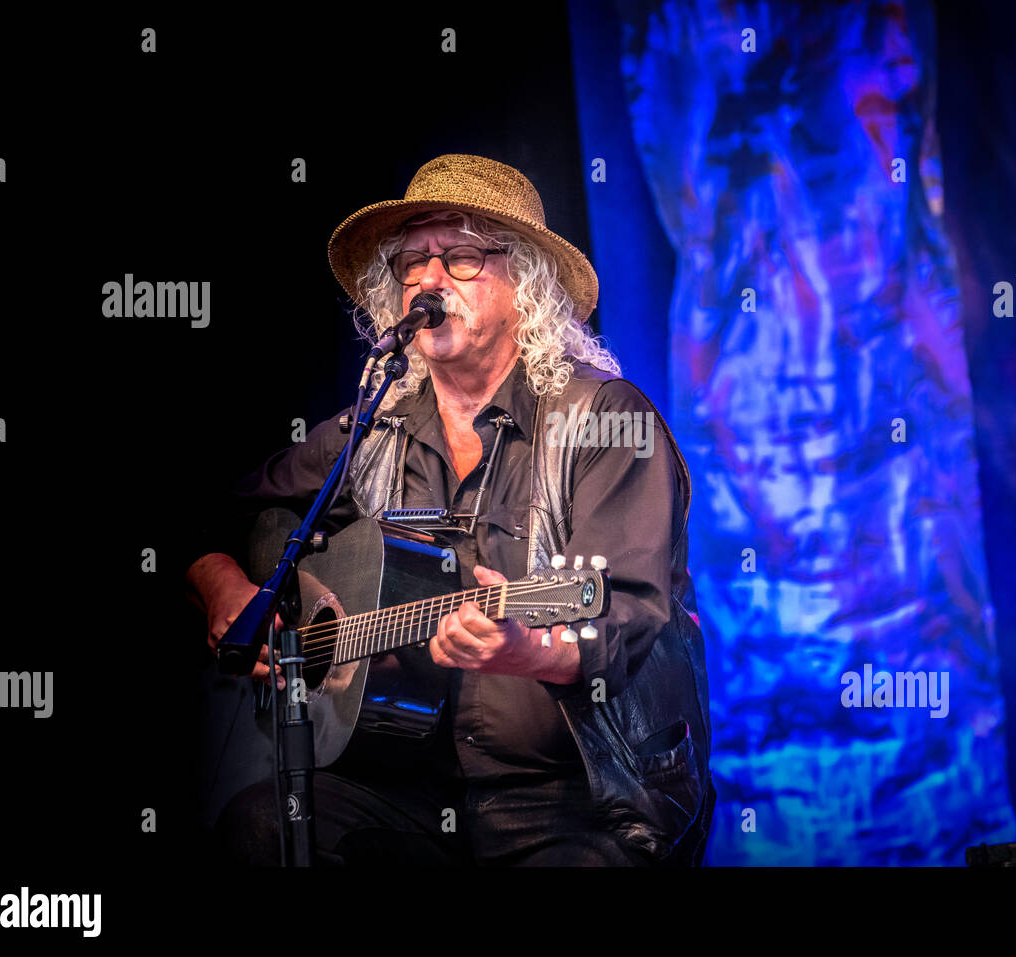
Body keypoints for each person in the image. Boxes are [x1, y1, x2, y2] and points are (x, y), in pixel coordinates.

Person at [186, 154, 713, 866]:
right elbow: (215, 511)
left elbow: (628, 612)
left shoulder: (607, 421)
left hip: (577, 797)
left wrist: (534, 650)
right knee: (258, 825)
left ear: (526, 284)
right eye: (412, 262)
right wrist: (225, 587)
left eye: (461, 256)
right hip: (403, 783)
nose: (429, 280)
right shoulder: (372, 432)